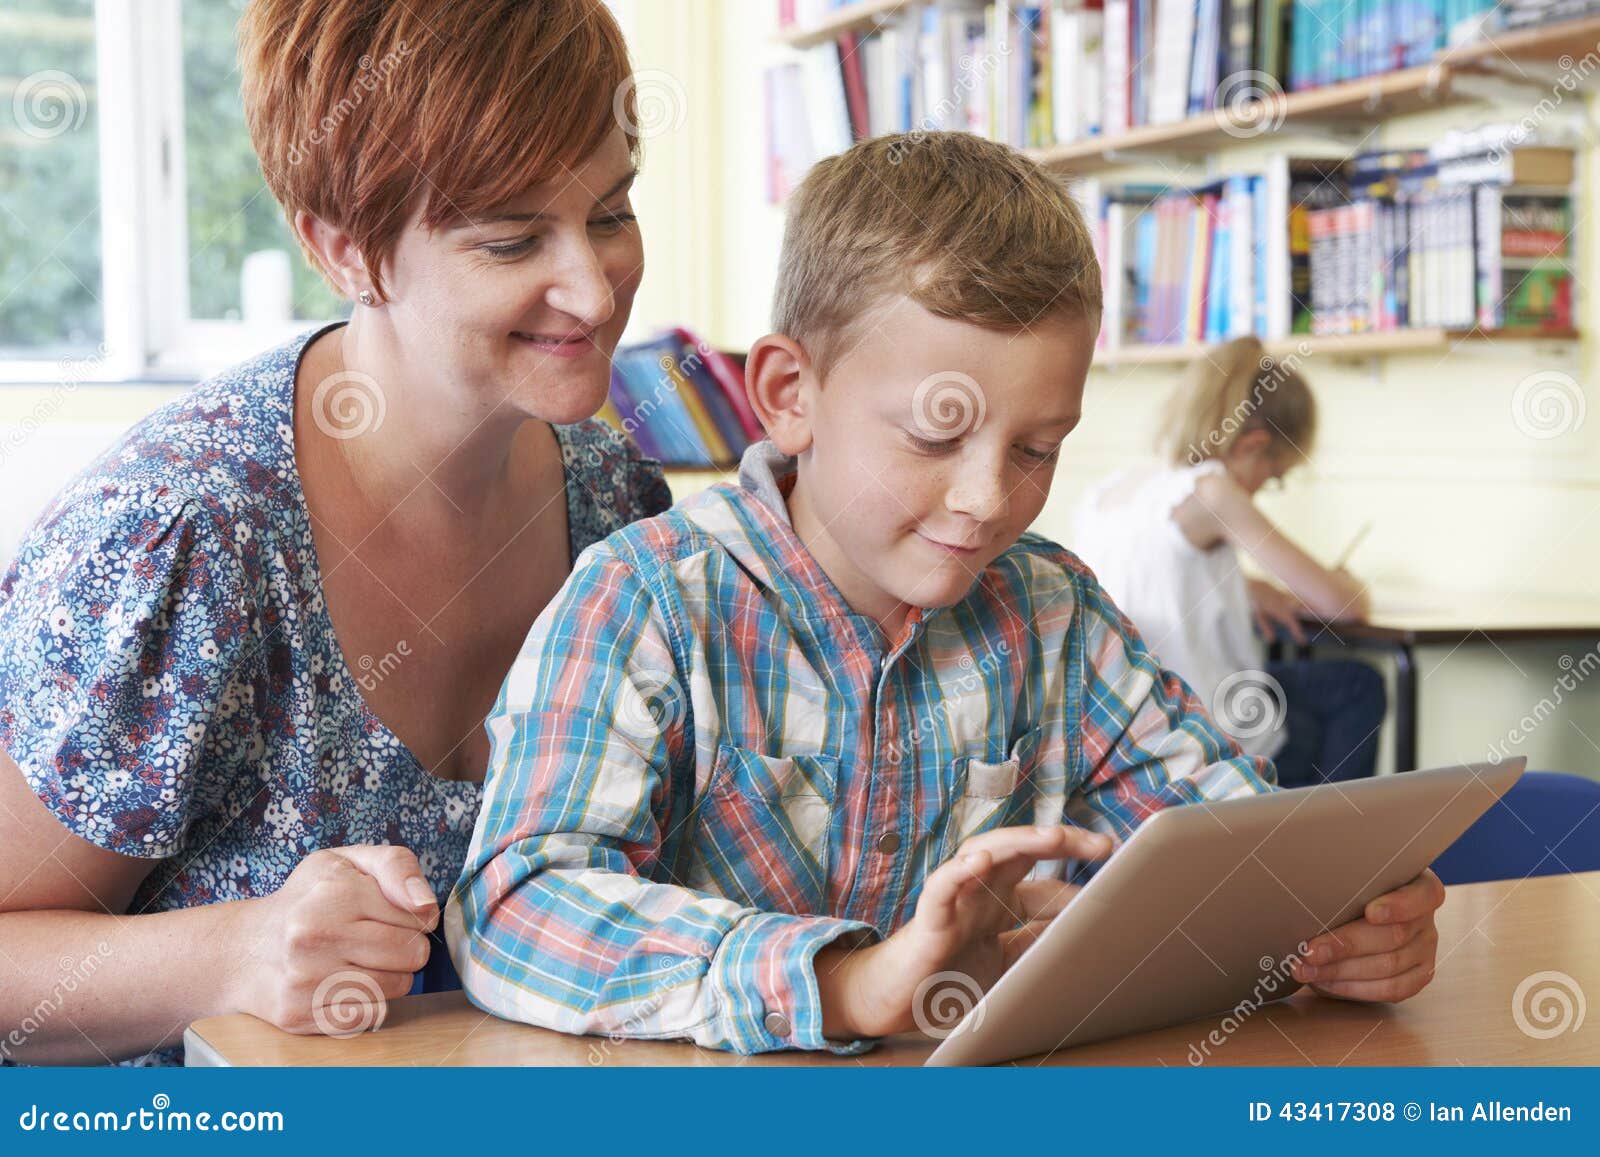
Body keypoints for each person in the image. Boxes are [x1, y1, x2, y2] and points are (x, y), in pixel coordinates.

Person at [446, 133, 1443, 1055]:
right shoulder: (646, 601)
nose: (985, 500)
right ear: (791, 393)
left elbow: (1226, 844)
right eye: (934, 436)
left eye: (1036, 448)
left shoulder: (1053, 613)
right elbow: (516, 909)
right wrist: (845, 981)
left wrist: (1337, 918)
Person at [0, 0, 670, 1065]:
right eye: (511, 238)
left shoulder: (618, 502)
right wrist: (235, 952)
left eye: (611, 214)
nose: (593, 289)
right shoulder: (184, 535)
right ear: (344, 249)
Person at [1074, 337, 1385, 788]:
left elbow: (1160, 581)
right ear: (1252, 446)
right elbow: (1344, 606)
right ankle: (1325, 840)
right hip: (1204, 740)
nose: (1262, 489)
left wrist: (1243, 589)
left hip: (1125, 737)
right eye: (1274, 476)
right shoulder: (1214, 491)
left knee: (1330, 682)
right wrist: (1344, 579)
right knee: (1358, 686)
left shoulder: (1112, 491)